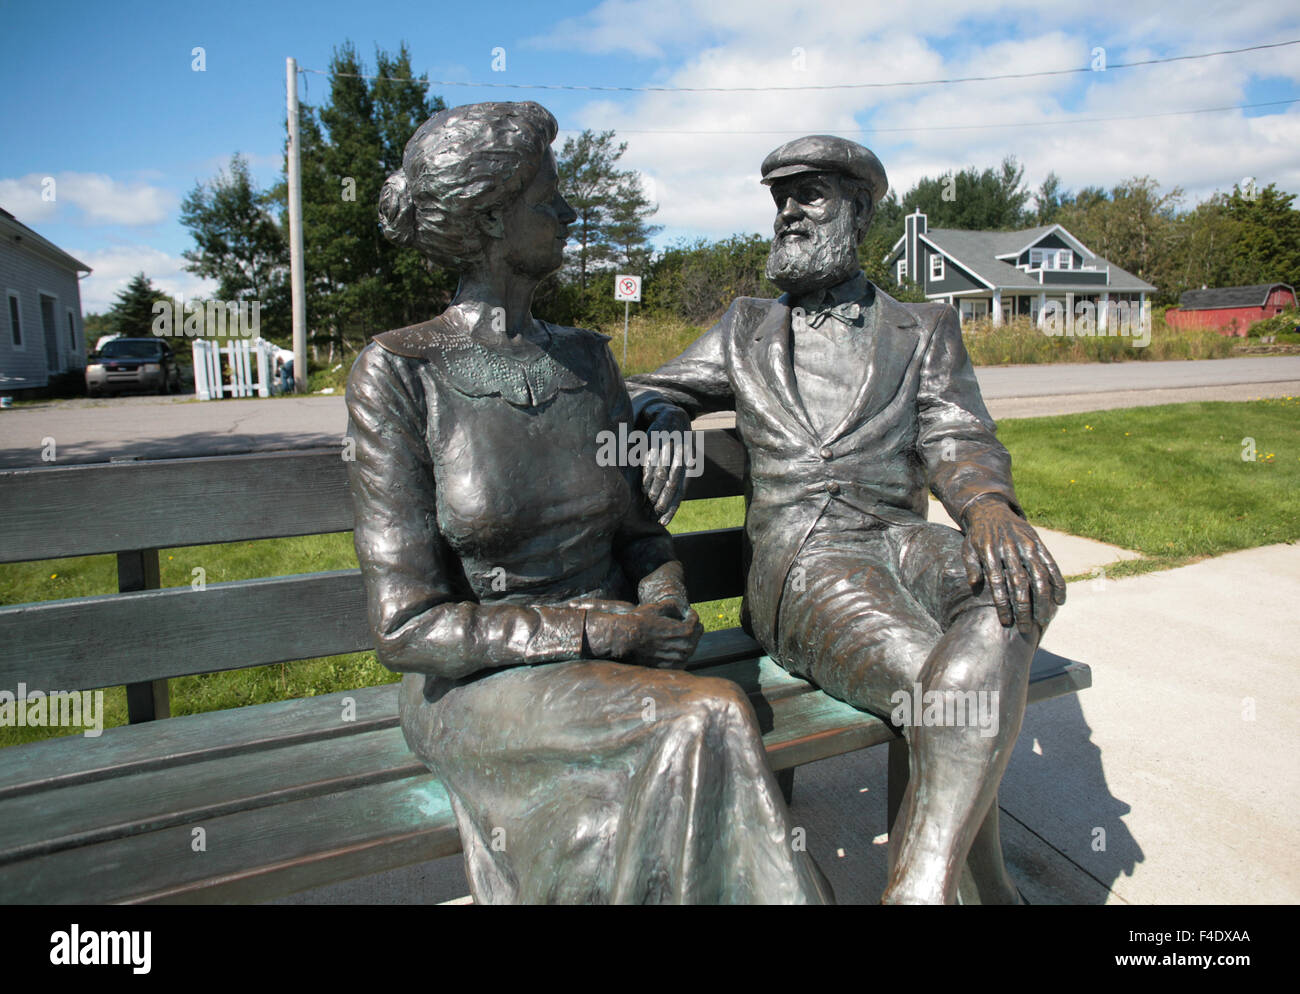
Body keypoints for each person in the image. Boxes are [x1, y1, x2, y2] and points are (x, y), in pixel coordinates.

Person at [345, 102, 831, 905]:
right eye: (549, 198)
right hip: (475, 685)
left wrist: (666, 600)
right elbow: (407, 627)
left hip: (619, 666)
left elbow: (640, 535)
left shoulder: (589, 360)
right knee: (706, 719)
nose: (569, 214)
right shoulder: (400, 372)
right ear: (492, 217)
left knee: (690, 737)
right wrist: (597, 627)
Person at [629, 135, 1067, 905]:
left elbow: (958, 434)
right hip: (807, 560)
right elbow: (642, 385)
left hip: (902, 538)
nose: (788, 214)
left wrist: (990, 506)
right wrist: (662, 411)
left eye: (810, 195)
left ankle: (923, 888)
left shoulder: (923, 329)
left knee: (1022, 586)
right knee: (951, 690)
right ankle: (974, 891)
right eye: (779, 199)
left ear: (860, 210)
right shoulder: (745, 326)